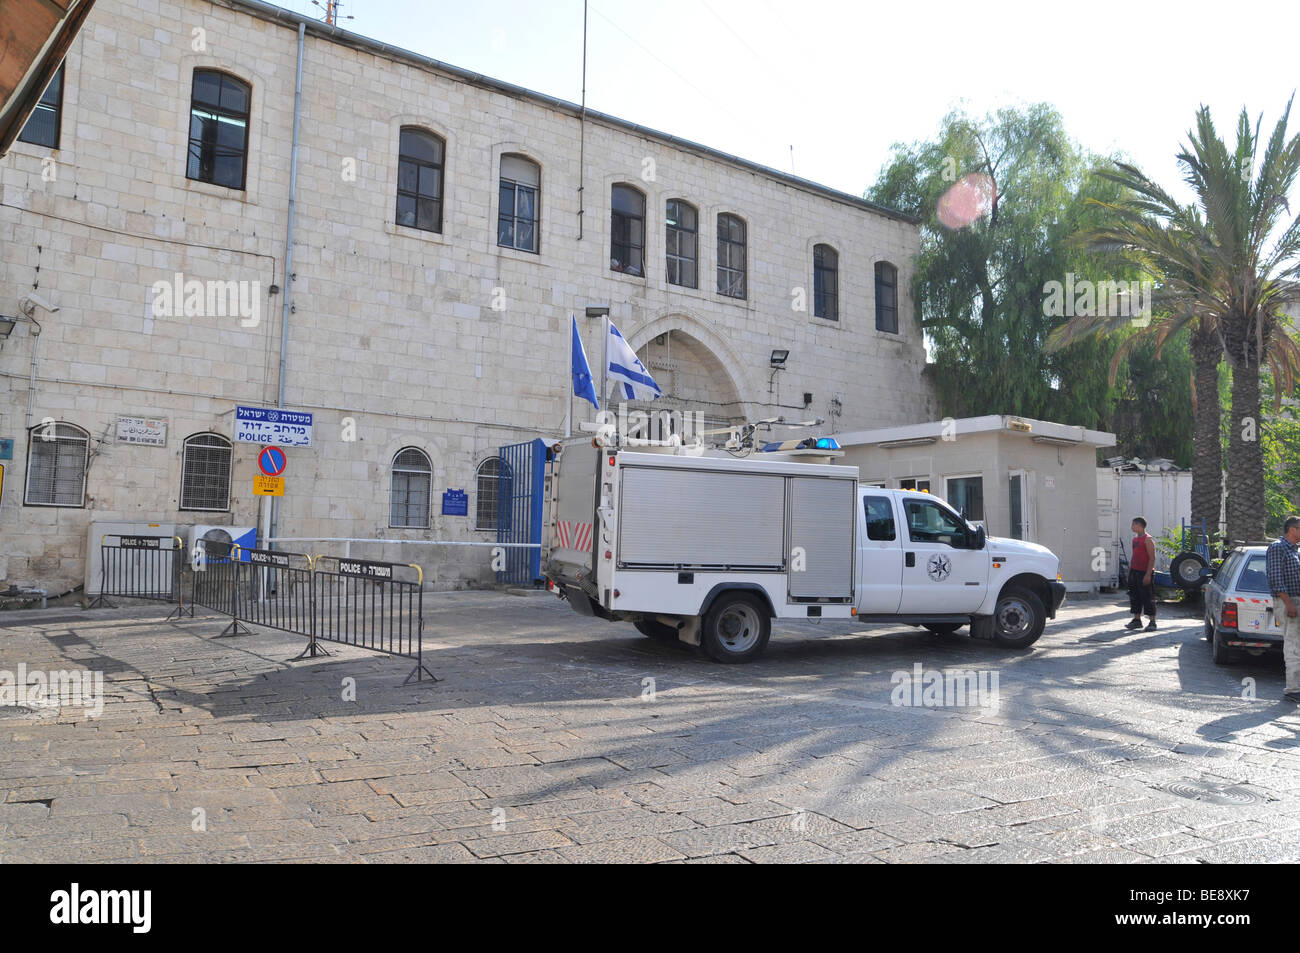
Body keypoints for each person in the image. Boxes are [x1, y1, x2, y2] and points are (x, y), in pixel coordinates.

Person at [1265, 516, 1300, 703]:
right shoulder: (1278, 547)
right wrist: (1289, 604)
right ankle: (1293, 689)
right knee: (1293, 644)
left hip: (1295, 600)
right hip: (1288, 601)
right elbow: (1276, 579)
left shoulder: (1294, 550)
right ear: (1292, 529)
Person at [1125, 517, 1157, 631]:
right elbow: (1134, 556)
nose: (1132, 526)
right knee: (1134, 597)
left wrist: (1148, 574)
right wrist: (1129, 572)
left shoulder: (1148, 539)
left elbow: (1152, 558)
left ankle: (1152, 621)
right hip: (1134, 571)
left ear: (1140, 526)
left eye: (1134, 524)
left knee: (1148, 597)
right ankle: (1137, 620)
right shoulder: (1135, 539)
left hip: (1144, 572)